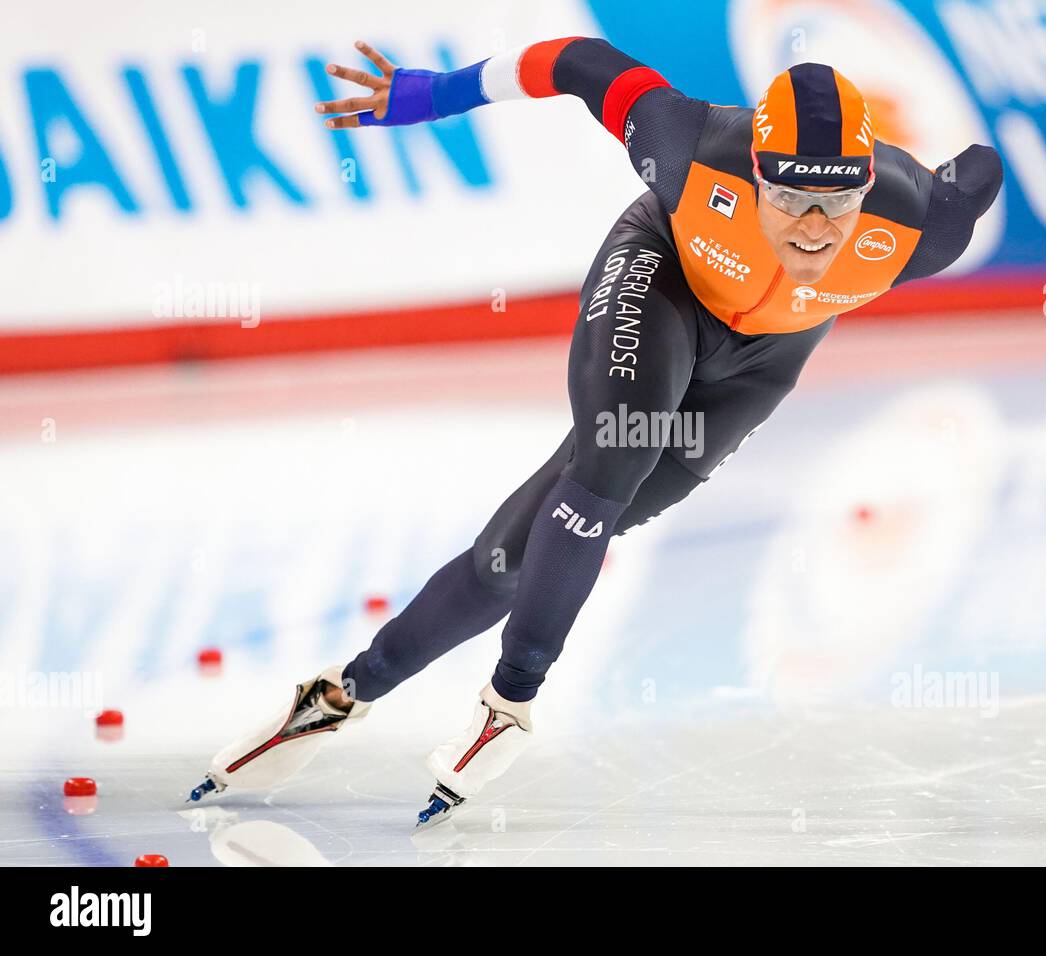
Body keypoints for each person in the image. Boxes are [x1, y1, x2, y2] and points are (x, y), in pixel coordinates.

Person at [190, 37, 1004, 828]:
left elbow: (980, 169)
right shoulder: (688, 144)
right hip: (663, 283)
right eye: (790, 197)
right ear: (754, 172)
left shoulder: (926, 223)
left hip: (764, 364)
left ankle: (344, 692)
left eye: (838, 202)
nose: (815, 229)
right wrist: (440, 94)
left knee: (513, 557)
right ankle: (510, 706)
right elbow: (576, 63)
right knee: (615, 455)